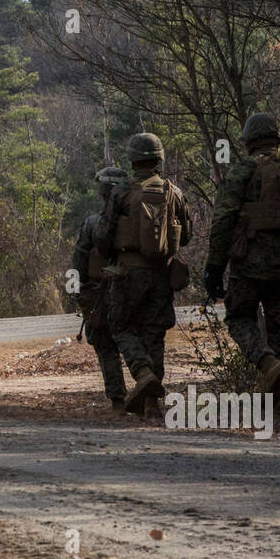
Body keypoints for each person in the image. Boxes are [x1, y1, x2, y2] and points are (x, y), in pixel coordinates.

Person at [203, 113, 280, 406]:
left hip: (248, 265)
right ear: (276, 137)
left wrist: (215, 266)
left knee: (239, 318)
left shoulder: (243, 171)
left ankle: (268, 365)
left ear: (250, 140)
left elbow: (224, 218)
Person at [94, 133, 192, 415]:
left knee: (121, 326)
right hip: (161, 274)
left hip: (127, 273)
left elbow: (102, 236)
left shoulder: (121, 191)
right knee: (154, 333)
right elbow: (186, 236)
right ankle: (152, 403)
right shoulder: (173, 191)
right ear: (159, 158)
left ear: (133, 158)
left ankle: (143, 373)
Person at [72, 166, 131, 414]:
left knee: (106, 345)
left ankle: (118, 400)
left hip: (102, 291)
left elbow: (79, 261)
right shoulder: (136, 221)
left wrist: (78, 292)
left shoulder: (92, 224)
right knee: (139, 340)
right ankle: (149, 398)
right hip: (137, 290)